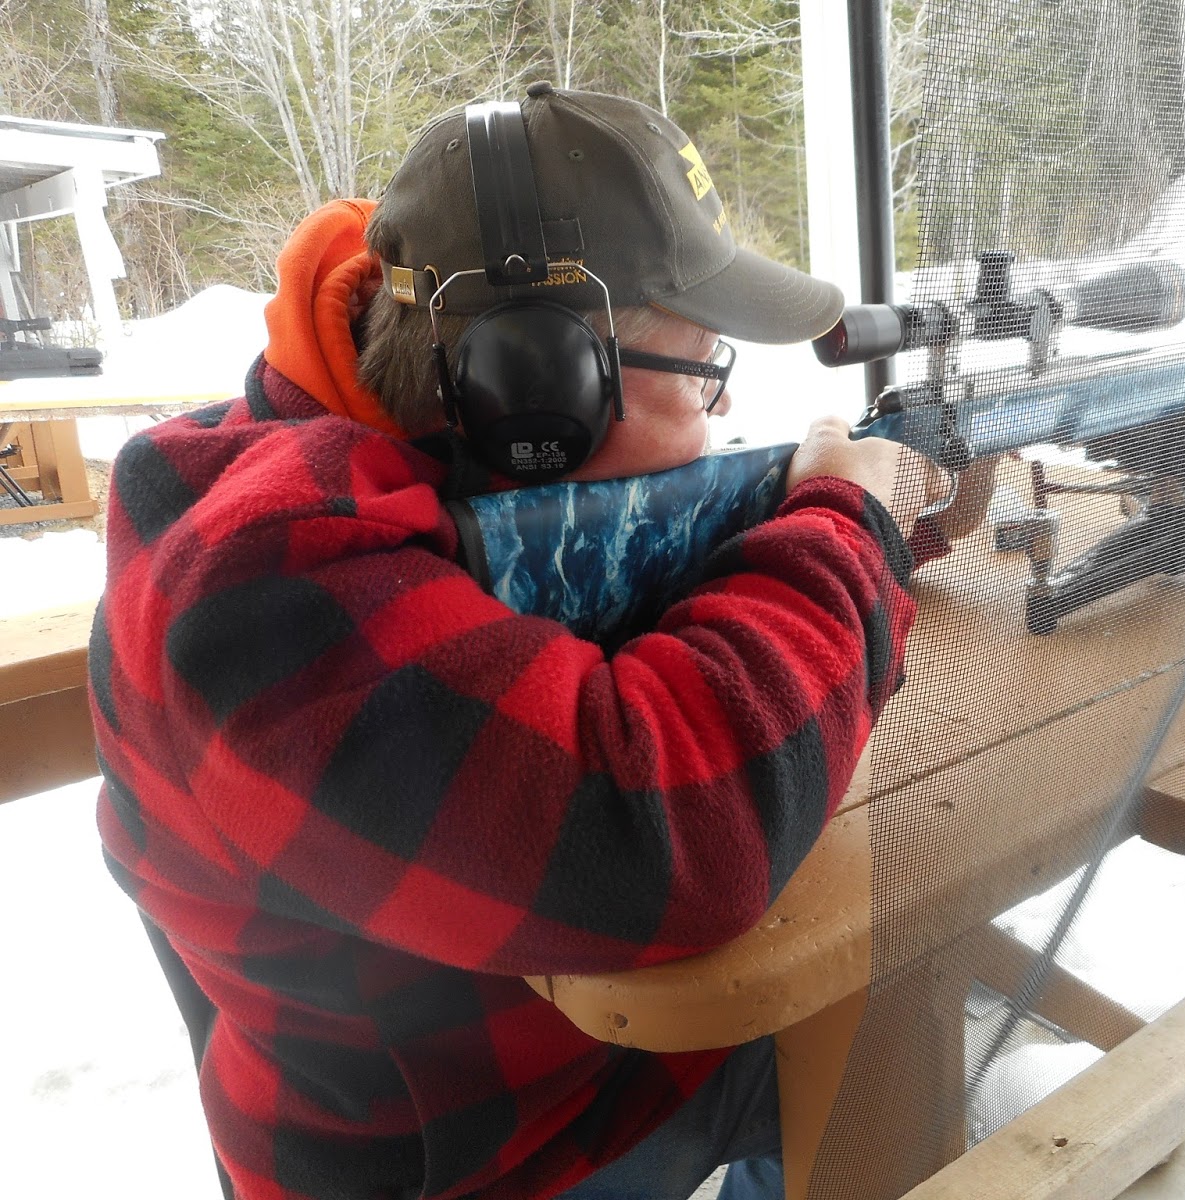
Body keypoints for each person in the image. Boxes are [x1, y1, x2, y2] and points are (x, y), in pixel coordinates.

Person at [93, 83, 988, 1200]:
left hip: (571, 1051)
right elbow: (666, 834)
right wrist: (846, 529)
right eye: (707, 370)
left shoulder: (425, 468)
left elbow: (588, 602)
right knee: (924, 1081)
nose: (719, 424)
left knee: (894, 1017)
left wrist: (887, 525)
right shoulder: (254, 591)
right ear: (536, 396)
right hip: (470, 1158)